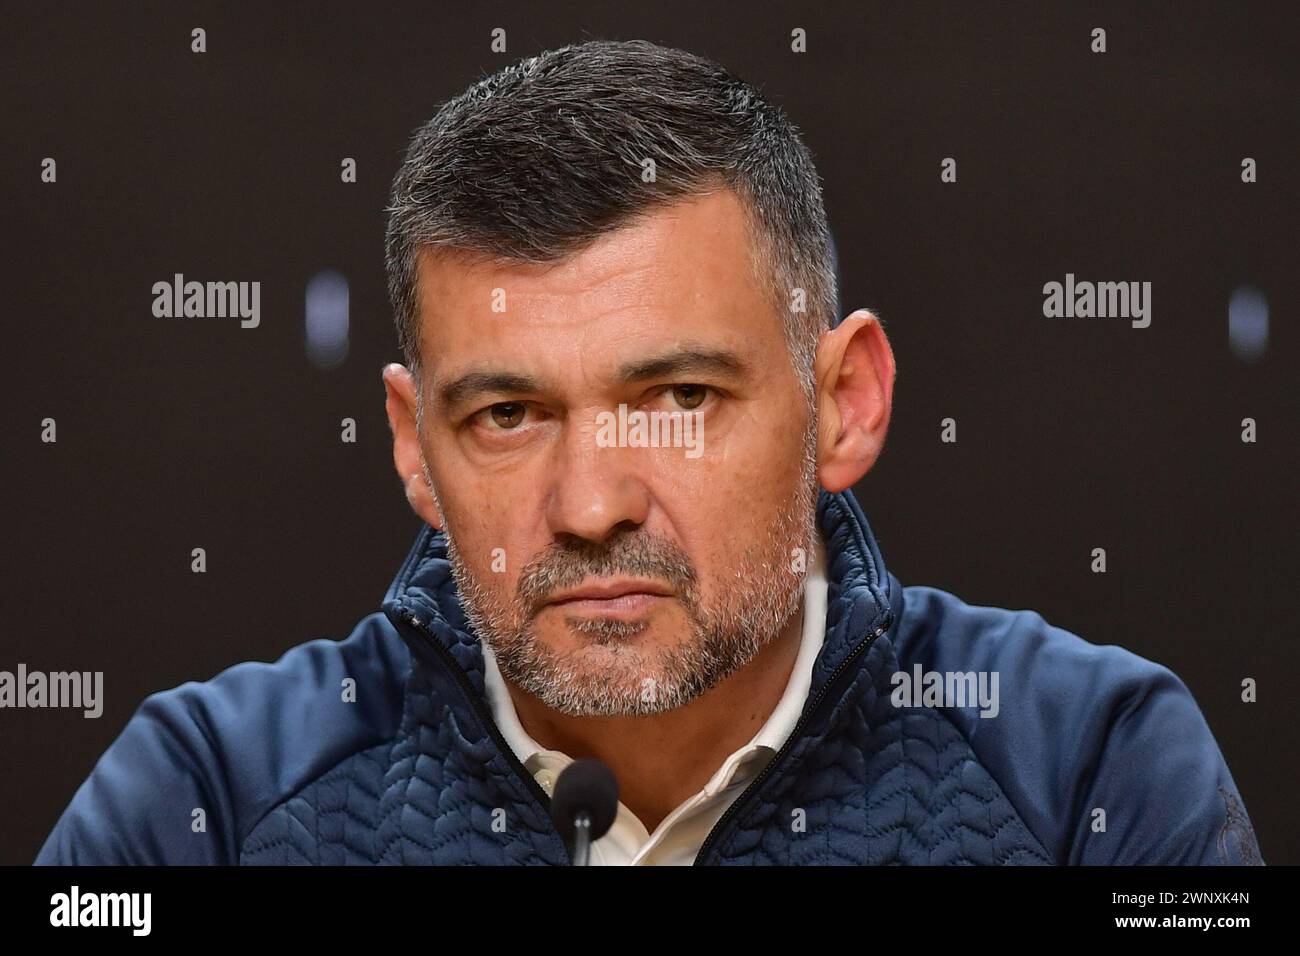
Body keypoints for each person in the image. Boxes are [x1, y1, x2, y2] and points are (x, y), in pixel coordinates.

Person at [36, 39, 1262, 866]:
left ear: (843, 403)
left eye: (677, 396)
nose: (589, 505)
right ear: (414, 449)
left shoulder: (1089, 764)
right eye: (506, 415)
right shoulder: (207, 796)